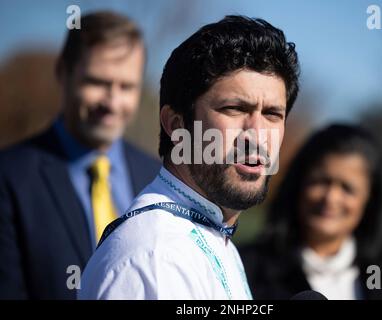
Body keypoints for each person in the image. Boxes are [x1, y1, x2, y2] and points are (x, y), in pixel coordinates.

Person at [78, 15, 300, 300]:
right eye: (233, 108)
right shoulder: (155, 256)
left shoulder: (216, 237)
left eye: (272, 114)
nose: (257, 134)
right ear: (175, 124)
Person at [0, 11, 160, 299]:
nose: (111, 102)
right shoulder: (10, 178)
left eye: (126, 87)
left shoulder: (156, 178)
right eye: (97, 83)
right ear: (63, 72)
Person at [240, 124, 382, 300]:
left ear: (370, 199)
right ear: (298, 184)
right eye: (321, 181)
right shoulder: (246, 269)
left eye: (347, 188)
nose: (331, 198)